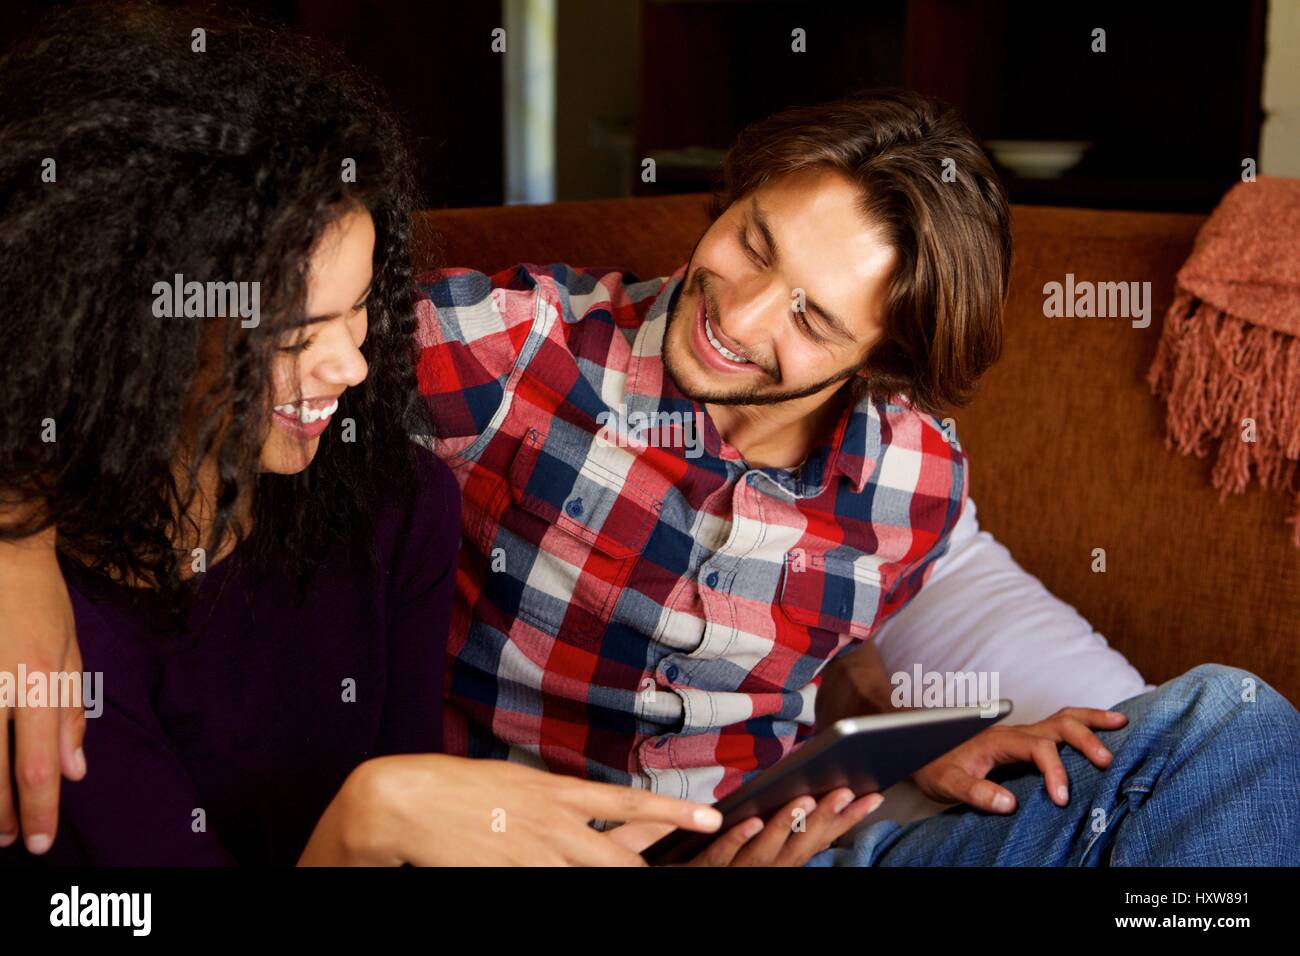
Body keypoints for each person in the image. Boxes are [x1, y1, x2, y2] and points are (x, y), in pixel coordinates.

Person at [0, 3, 735, 866]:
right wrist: (361, 827)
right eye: (294, 333)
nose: (350, 366)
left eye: (358, 312)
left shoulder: (395, 503)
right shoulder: (54, 629)